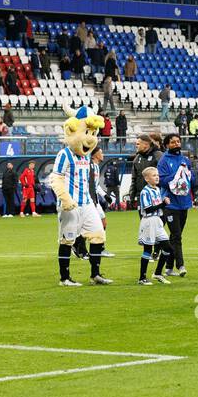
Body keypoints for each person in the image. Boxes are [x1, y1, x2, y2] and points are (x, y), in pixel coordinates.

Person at [51, 108, 111, 287]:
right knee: (67, 240)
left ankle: (95, 274)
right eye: (87, 132)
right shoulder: (65, 154)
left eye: (93, 133)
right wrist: (65, 199)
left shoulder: (86, 157)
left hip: (87, 204)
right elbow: (56, 178)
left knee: (98, 235)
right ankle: (65, 278)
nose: (90, 138)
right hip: (70, 205)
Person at [157, 133, 197, 277]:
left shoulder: (185, 159)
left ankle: (168, 268)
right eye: (172, 142)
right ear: (167, 145)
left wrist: (193, 177)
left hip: (184, 203)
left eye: (178, 141)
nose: (176, 144)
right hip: (170, 204)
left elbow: (190, 179)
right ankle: (181, 265)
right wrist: (176, 176)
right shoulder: (163, 161)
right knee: (176, 235)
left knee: (175, 237)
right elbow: (160, 180)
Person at [136, 167, 174, 285]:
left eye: (157, 175)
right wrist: (163, 204)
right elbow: (147, 209)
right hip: (149, 222)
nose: (157, 177)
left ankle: (157, 273)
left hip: (157, 221)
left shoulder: (157, 189)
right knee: (148, 249)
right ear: (147, 179)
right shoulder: (145, 192)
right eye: (153, 175)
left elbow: (158, 207)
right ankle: (142, 278)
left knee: (168, 248)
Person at [129, 134, 161, 210]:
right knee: (144, 219)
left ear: (146, 145)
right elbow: (134, 178)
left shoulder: (158, 156)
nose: (136, 146)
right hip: (141, 195)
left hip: (156, 195)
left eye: (138, 144)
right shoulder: (137, 158)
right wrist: (132, 196)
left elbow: (163, 176)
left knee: (157, 219)